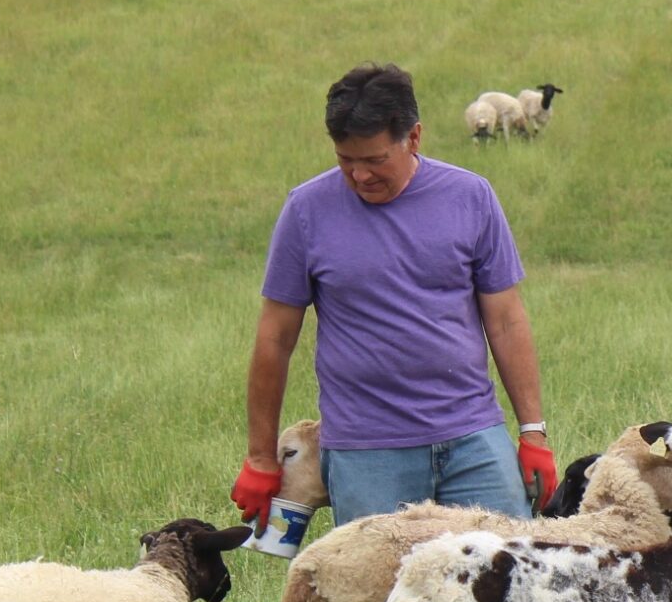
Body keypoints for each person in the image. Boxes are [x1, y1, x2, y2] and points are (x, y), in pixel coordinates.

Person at [234, 63, 559, 529]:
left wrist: (532, 433)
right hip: (367, 454)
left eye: (375, 160)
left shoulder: (471, 197)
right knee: (378, 599)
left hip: (472, 440)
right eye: (346, 160)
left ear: (414, 137)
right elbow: (274, 340)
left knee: (506, 587)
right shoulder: (306, 211)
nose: (360, 175)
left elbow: (506, 321)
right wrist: (261, 459)